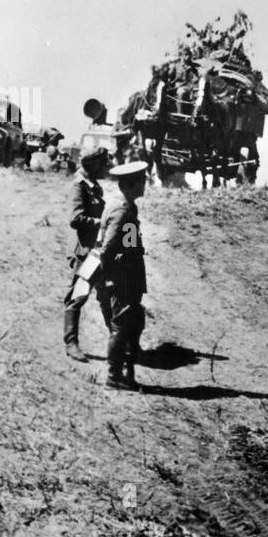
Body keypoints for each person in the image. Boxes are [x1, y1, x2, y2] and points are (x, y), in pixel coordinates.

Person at [100, 160, 150, 391]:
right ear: (132, 184)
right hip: (123, 281)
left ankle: (122, 374)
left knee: (130, 326)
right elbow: (107, 249)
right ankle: (113, 377)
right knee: (120, 328)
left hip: (129, 279)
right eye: (142, 180)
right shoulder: (122, 212)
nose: (145, 184)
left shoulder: (128, 208)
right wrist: (115, 275)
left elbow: (128, 243)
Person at [64, 147, 113, 362]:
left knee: (107, 296)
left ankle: (118, 340)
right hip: (87, 253)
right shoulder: (79, 186)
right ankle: (71, 343)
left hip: (99, 251)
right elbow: (75, 219)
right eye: (103, 164)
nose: (106, 168)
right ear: (93, 165)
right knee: (78, 296)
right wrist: (101, 224)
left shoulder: (94, 187)